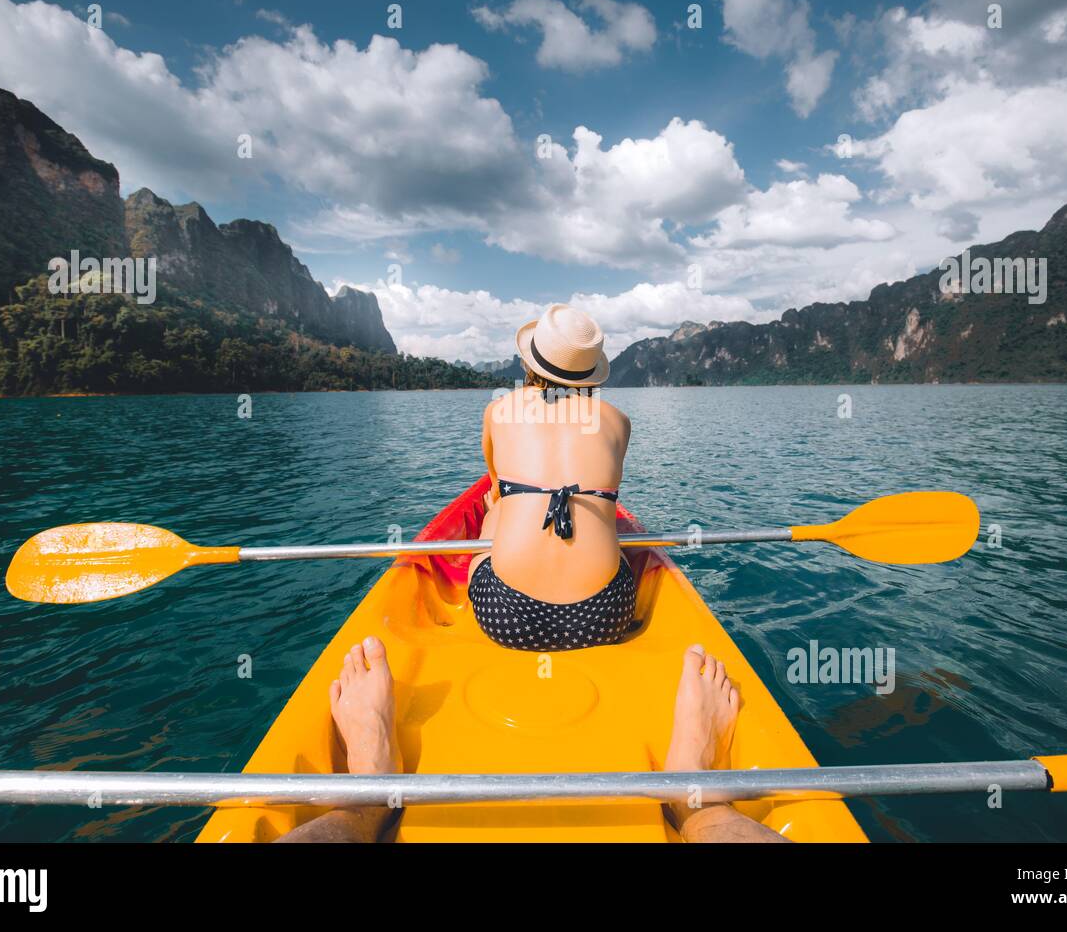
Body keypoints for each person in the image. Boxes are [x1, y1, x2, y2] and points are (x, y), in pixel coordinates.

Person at [277, 636, 789, 843]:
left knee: (348, 820)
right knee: (715, 819)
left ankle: (365, 802)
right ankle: (702, 809)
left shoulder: (500, 419)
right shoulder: (612, 421)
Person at [468, 304, 634, 652]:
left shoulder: (498, 410)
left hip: (505, 616)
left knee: (496, 507)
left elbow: (496, 487)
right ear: (590, 371)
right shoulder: (619, 421)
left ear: (531, 362)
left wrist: (496, 507)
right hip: (606, 616)